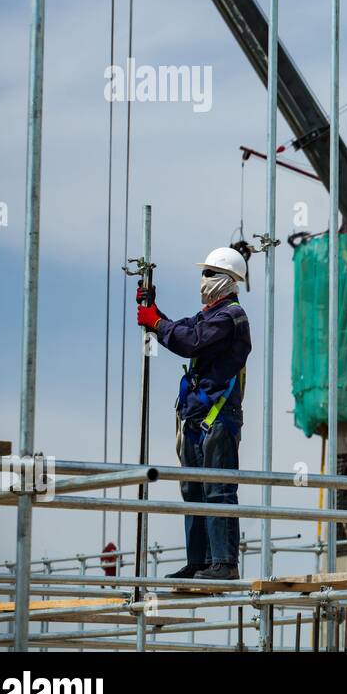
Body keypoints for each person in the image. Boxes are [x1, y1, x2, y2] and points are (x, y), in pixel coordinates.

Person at [135, 246, 252, 580]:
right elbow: (184, 329)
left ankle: (224, 564)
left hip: (218, 415)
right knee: (194, 490)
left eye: (210, 273)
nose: (204, 280)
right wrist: (156, 315)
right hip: (196, 416)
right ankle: (200, 561)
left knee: (218, 489)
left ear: (228, 280)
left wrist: (156, 323)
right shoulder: (210, 314)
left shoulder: (231, 317)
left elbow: (192, 341)